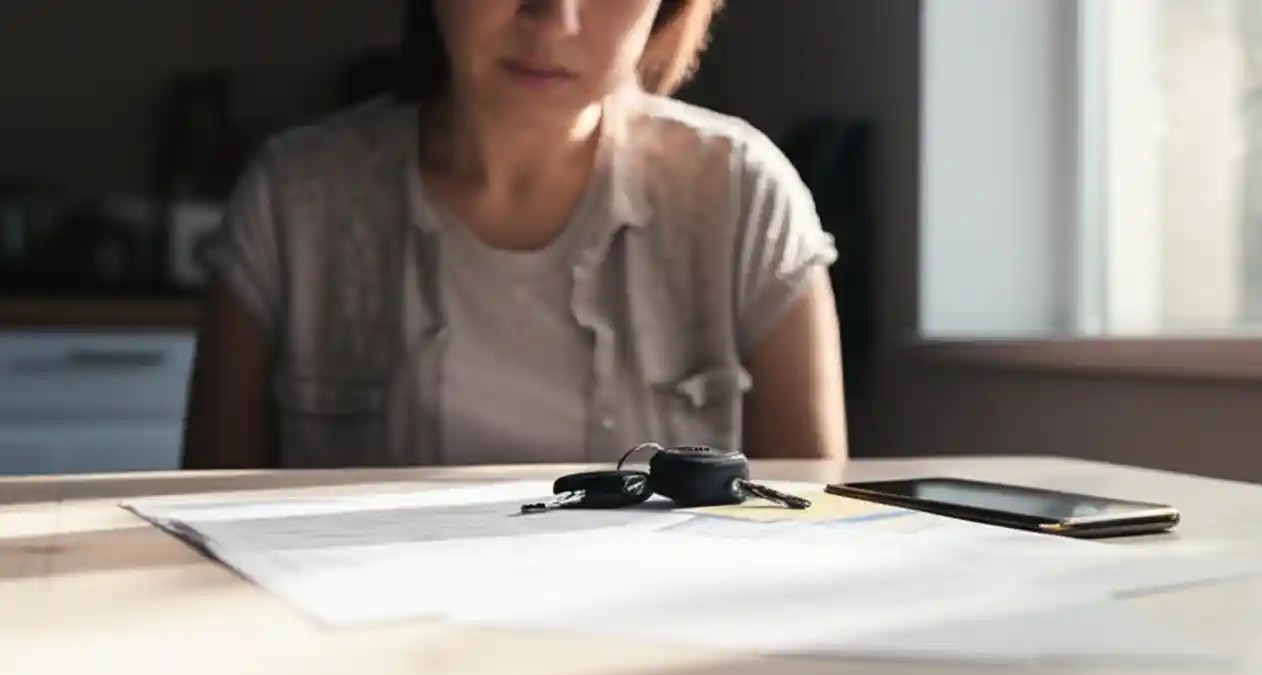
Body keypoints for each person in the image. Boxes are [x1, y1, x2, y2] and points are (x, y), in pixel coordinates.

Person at [182, 0, 847, 470]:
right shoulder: (294, 198)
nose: (555, 16)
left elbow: (810, 522)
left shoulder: (740, 193)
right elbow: (201, 522)